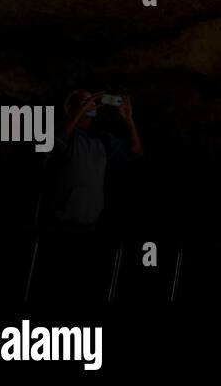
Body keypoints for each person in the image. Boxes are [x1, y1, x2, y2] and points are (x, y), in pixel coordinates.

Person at [35, 90, 143, 300]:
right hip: (58, 225)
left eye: (91, 100)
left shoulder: (101, 139)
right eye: (84, 101)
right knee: (50, 286)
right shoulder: (63, 133)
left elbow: (137, 152)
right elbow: (50, 146)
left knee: (80, 288)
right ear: (71, 108)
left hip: (90, 227)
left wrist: (129, 121)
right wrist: (78, 114)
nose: (91, 103)